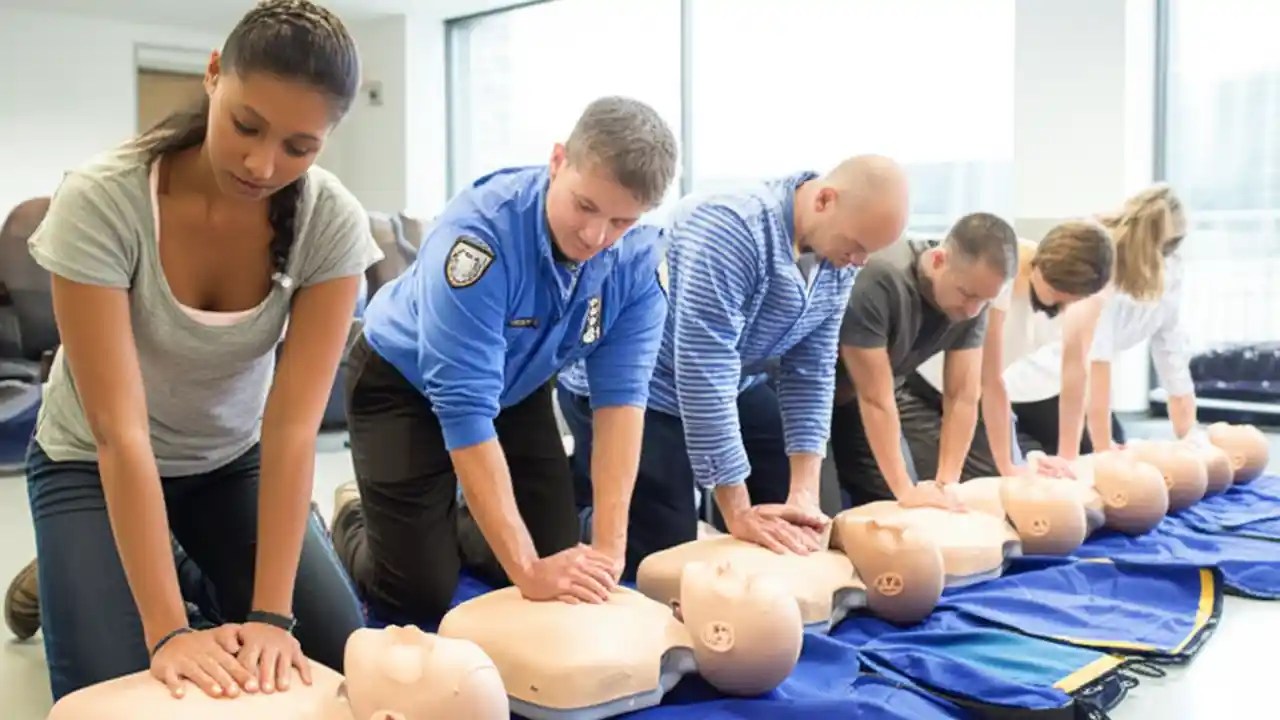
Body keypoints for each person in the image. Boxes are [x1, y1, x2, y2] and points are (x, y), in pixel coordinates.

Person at [2, 0, 380, 703]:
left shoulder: (332, 224)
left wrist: (271, 615)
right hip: (91, 462)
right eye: (247, 125)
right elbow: (120, 433)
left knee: (333, 656)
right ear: (213, 76)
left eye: (300, 146)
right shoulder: (101, 200)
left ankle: (184, 560)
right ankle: (75, 567)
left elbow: (294, 426)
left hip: (229, 464)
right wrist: (169, 631)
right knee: (123, 690)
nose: (263, 164)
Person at [328, 96, 679, 624]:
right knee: (418, 594)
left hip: (517, 386)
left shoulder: (639, 261)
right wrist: (528, 570)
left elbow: (622, 404)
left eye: (621, 221)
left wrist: (608, 552)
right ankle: (356, 516)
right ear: (558, 160)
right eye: (585, 206)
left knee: (560, 554)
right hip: (402, 383)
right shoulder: (479, 238)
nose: (596, 236)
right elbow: (465, 410)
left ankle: (451, 520)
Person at [557, 156, 911, 579]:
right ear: (824, 201)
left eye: (867, 253)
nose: (857, 261)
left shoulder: (841, 253)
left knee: (798, 519)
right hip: (638, 386)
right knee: (661, 550)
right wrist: (737, 508)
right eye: (856, 246)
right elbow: (703, 370)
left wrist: (804, 494)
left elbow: (812, 369)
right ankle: (559, 511)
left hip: (735, 381)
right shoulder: (731, 226)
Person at [831, 213, 1018, 508]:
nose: (972, 311)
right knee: (823, 516)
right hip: (805, 397)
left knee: (920, 499)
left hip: (864, 395)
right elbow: (875, 398)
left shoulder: (974, 299)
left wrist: (947, 483)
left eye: (984, 301)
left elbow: (962, 396)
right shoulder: (881, 278)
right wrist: (905, 491)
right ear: (938, 260)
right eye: (967, 295)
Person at [906, 220, 1115, 479]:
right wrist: (1006, 465)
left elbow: (1074, 373)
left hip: (980, 395)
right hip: (927, 383)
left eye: (1069, 300)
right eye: (1055, 293)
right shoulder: (1005, 274)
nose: (1061, 306)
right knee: (979, 477)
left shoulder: (1086, 298)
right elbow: (989, 377)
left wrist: (1067, 458)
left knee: (1022, 473)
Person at [1047, 184, 1193, 457]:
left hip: (1081, 373)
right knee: (1089, 453)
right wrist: (1103, 448)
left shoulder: (1172, 267)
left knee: (1115, 443)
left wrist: (1188, 437)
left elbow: (1171, 350)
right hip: (1048, 378)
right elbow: (1095, 360)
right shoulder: (1100, 262)